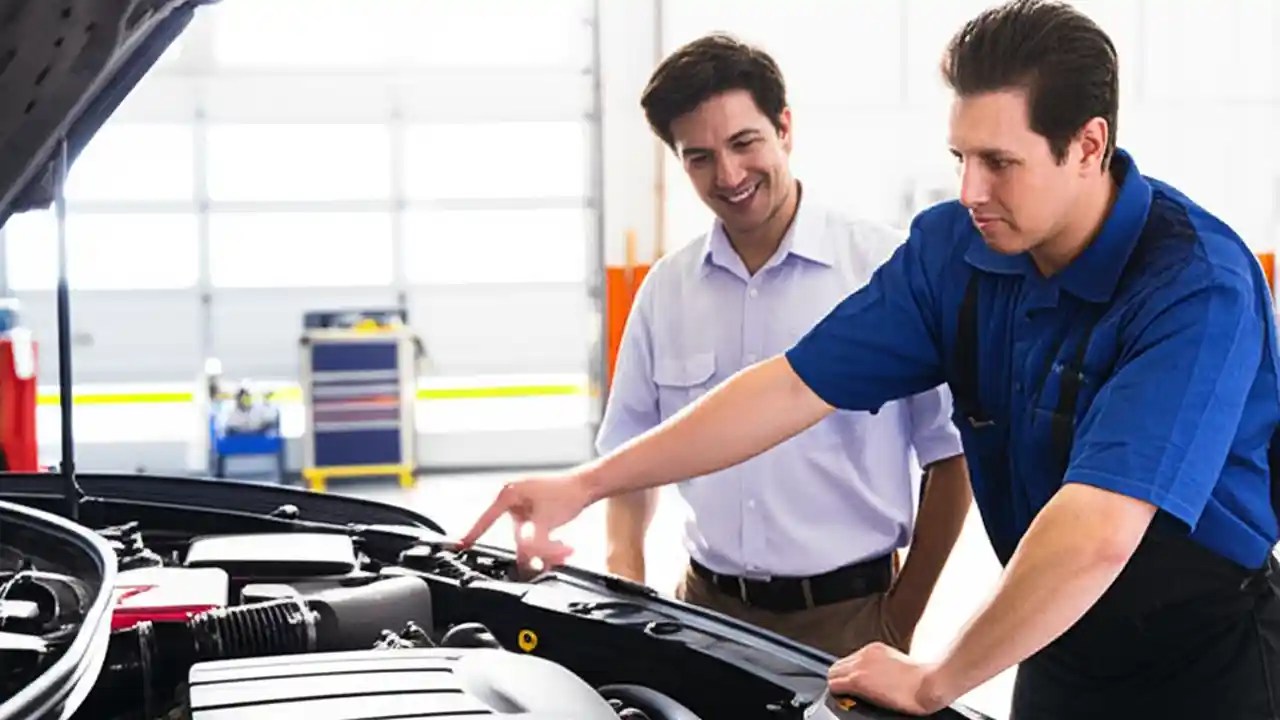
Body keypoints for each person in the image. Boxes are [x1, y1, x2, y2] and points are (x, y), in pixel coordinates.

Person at [461, 1, 1280, 717]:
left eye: (1000, 163)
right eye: (961, 157)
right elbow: (788, 387)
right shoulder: (954, 252)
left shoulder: (1193, 283)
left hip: (1204, 652)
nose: (970, 190)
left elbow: (1100, 527)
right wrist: (585, 483)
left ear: (1088, 144)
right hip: (1052, 634)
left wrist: (936, 679)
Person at [598, 33, 972, 658]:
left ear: (785, 129)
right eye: (699, 157)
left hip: (848, 621)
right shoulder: (666, 291)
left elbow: (951, 454)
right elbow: (628, 460)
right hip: (700, 616)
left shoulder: (881, 267)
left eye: (745, 143)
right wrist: (627, 585)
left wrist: (900, 617)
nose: (730, 175)